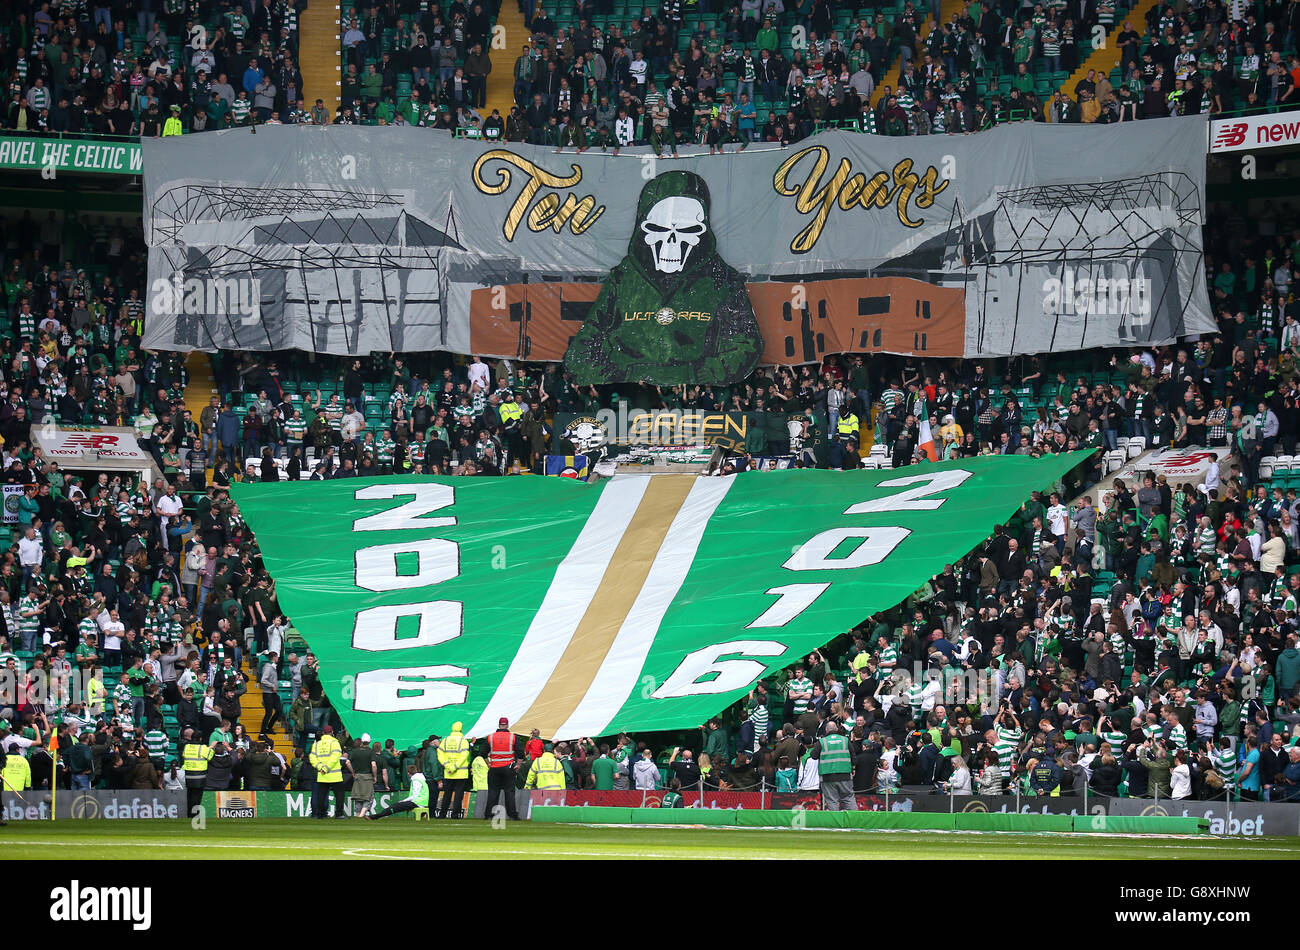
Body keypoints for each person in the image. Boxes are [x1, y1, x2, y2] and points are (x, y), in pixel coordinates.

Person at [810, 720, 856, 811]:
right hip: (845, 774)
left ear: (826, 730)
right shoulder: (845, 740)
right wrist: (853, 767)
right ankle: (854, 820)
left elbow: (813, 756)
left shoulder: (822, 742)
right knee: (848, 798)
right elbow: (853, 755)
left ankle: (835, 822)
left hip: (828, 776)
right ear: (836, 729)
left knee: (832, 801)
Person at [483, 716, 519, 820]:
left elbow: (483, 753)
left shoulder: (490, 737)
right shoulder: (513, 737)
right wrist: (518, 765)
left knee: (493, 792)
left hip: (494, 768)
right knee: (509, 792)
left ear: (499, 725)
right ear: (507, 725)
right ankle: (512, 815)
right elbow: (521, 753)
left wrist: (488, 763)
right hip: (508, 768)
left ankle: (489, 815)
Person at [435, 720, 471, 819]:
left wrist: (448, 765)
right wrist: (455, 766)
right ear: (460, 729)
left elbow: (440, 754)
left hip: (448, 772)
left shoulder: (445, 740)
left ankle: (442, 814)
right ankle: (455, 814)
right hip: (461, 772)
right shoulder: (463, 741)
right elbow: (464, 755)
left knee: (447, 794)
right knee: (458, 795)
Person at [309, 724, 346, 818]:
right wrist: (326, 768)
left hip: (322, 775)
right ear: (332, 732)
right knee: (339, 795)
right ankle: (339, 814)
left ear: (323, 733)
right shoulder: (335, 742)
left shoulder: (317, 744)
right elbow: (336, 756)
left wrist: (321, 767)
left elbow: (312, 757)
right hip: (335, 774)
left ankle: (320, 814)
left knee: (321, 795)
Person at [179, 727, 213, 817]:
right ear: (200, 738)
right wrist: (211, 747)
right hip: (199, 776)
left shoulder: (186, 747)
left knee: (189, 795)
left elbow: (183, 756)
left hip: (188, 775)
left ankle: (189, 813)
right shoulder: (203, 748)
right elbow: (210, 756)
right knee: (197, 797)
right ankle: (194, 814)